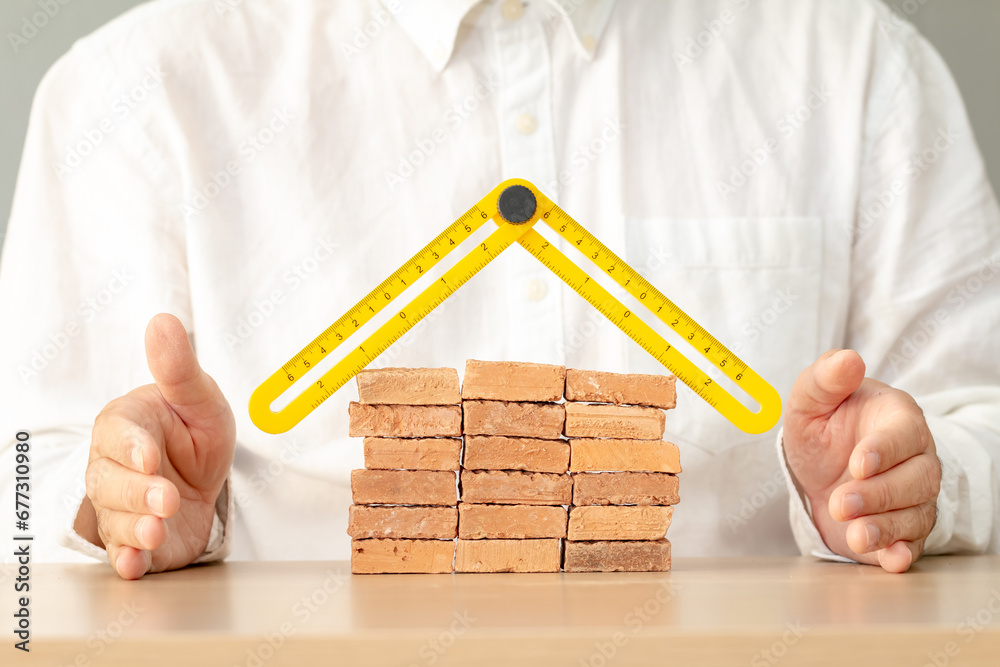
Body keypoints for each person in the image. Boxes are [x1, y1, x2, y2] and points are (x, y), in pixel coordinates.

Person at [1, 0, 997, 580]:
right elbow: (17, 506)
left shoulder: (856, 63)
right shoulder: (133, 93)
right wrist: (122, 512)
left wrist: (896, 489)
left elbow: (979, 430)